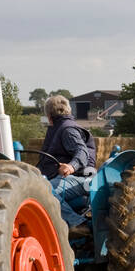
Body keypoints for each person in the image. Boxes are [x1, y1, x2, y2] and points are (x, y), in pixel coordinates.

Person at [37, 94, 96, 228]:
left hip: (81, 179)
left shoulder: (67, 129)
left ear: (49, 116)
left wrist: (70, 166)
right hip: (67, 178)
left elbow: (82, 152)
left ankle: (78, 224)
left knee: (43, 191)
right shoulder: (59, 128)